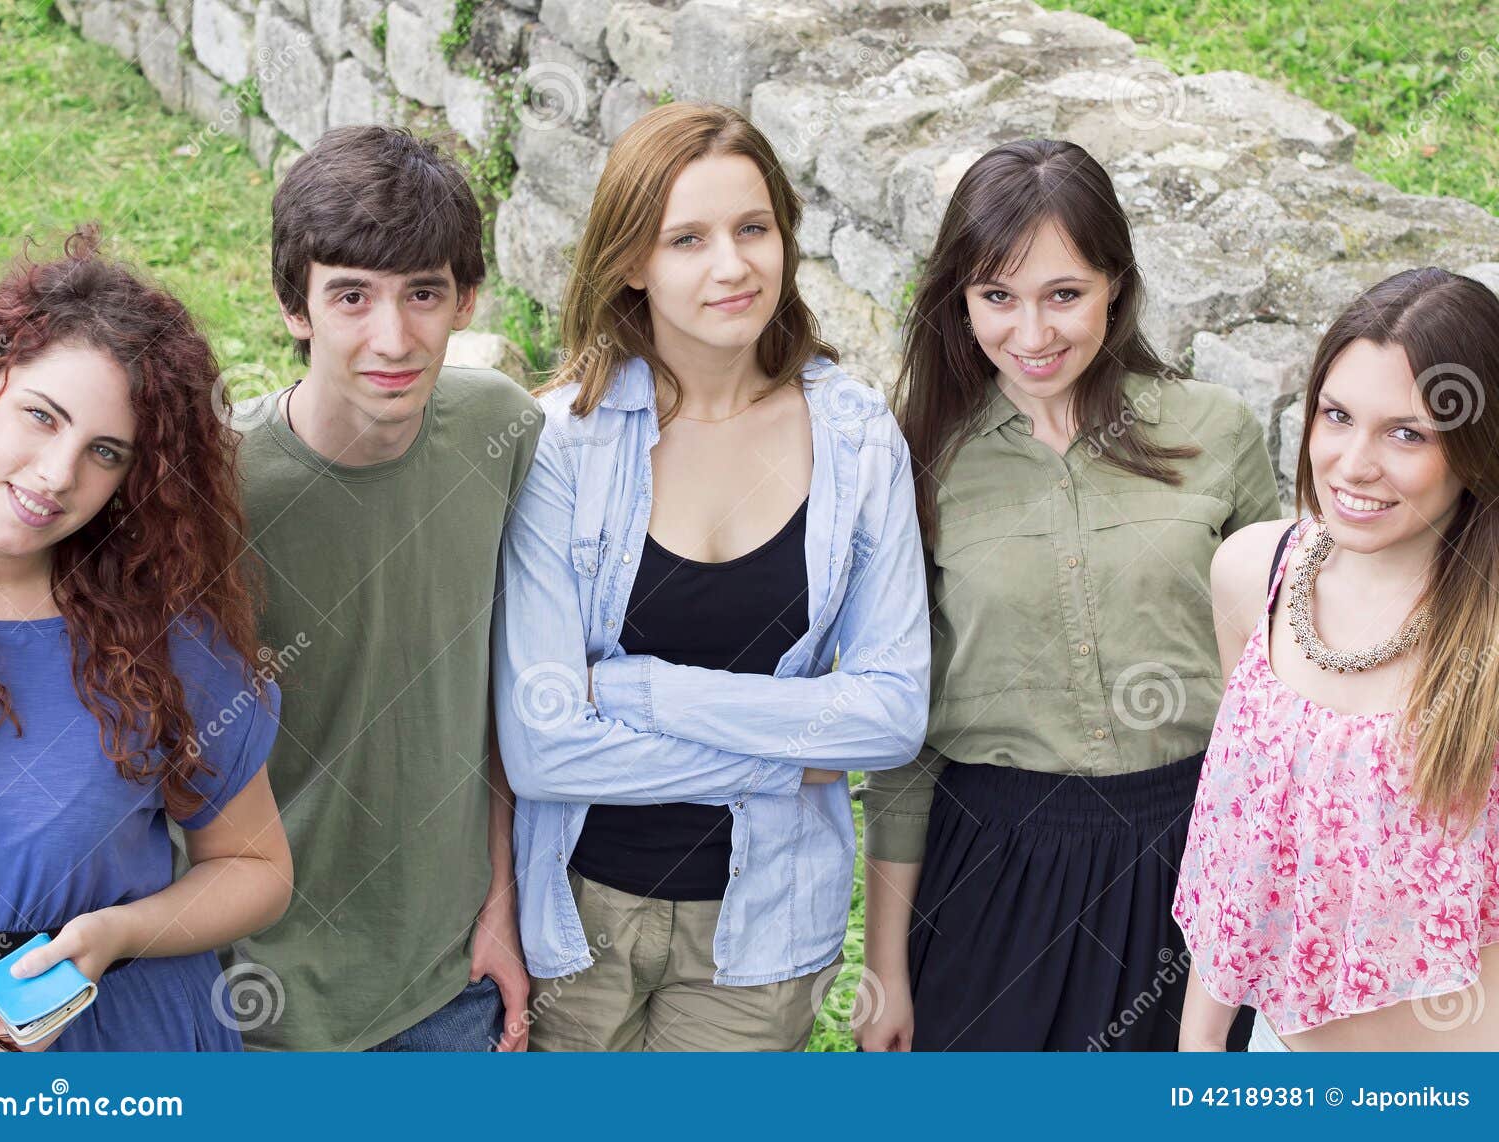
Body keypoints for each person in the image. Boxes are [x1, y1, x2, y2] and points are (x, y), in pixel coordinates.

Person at [492, 102, 930, 1052]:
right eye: (686, 239)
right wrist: (795, 753)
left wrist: (635, 690)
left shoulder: (856, 440)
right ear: (630, 263)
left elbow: (892, 716)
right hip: (576, 921)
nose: (732, 267)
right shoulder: (562, 444)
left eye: (753, 229)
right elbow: (540, 750)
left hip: (764, 935)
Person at [857, 138, 1278, 1052]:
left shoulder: (1218, 433)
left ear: (1116, 286)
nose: (1032, 334)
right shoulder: (916, 461)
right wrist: (884, 968)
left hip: (1196, 853)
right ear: (958, 299)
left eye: (1065, 294)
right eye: (996, 297)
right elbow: (904, 741)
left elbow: (1281, 683)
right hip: (994, 867)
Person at [0, 230, 291, 1052]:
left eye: (104, 452)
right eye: (40, 417)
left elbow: (256, 870)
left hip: (120, 1045)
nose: (55, 475)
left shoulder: (164, 640)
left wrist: (121, 933)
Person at [228, 126, 539, 1051]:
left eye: (424, 294)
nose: (393, 337)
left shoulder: (502, 432)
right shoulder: (217, 493)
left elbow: (504, 699)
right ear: (296, 307)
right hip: (256, 1000)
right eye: (351, 296)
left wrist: (499, 909)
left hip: (449, 981)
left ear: (465, 300)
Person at [1175, 267, 1499, 1052]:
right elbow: (1241, 840)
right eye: (1337, 415)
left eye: (1407, 432)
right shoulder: (1253, 573)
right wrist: (1197, 1053)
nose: (1353, 463)